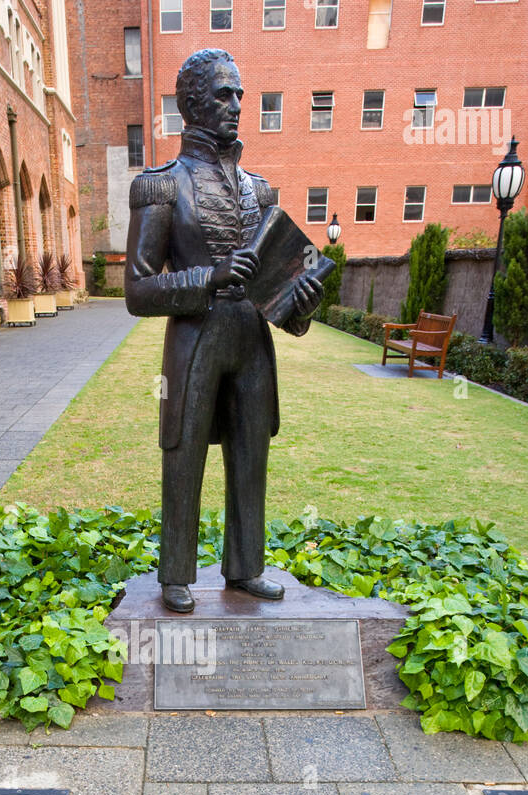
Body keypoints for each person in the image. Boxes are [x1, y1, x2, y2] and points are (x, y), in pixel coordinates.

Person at [125, 47, 324, 613]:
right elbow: (138, 290)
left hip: (251, 340)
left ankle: (245, 567)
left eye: (239, 93)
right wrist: (209, 277)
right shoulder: (161, 186)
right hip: (195, 340)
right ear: (191, 103)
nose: (236, 104)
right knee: (183, 454)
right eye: (222, 94)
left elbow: (280, 290)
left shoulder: (261, 193)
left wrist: (300, 303)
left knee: (250, 455)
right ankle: (176, 572)